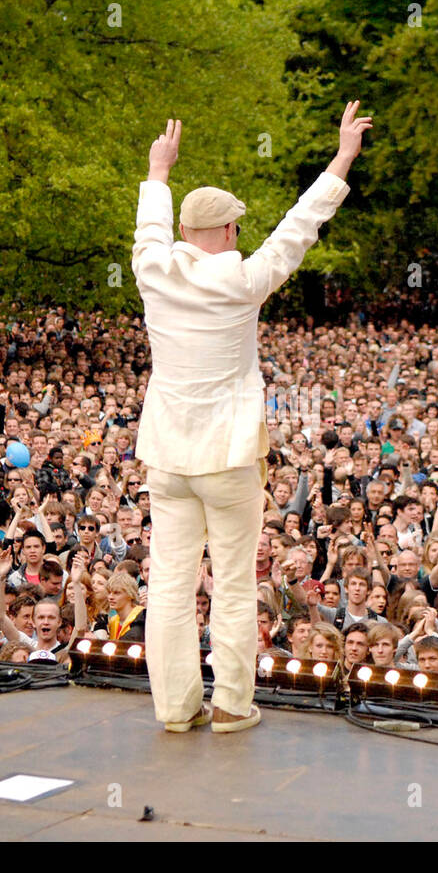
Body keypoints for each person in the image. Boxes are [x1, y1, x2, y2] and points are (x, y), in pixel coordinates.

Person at [133, 102, 372, 734]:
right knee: (235, 586)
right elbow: (301, 225)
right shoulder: (244, 279)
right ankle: (233, 707)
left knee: (170, 587)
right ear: (233, 230)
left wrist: (159, 171)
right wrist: (343, 155)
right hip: (230, 456)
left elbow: (151, 227)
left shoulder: (150, 269)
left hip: (166, 455)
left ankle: (174, 709)